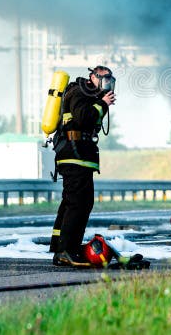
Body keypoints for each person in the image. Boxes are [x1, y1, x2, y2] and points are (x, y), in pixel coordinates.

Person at [49, 65, 116, 267]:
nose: (107, 83)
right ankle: (66, 251)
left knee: (75, 202)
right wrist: (102, 104)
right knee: (78, 203)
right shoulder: (79, 92)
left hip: (79, 156)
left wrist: (100, 102)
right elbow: (83, 118)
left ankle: (62, 248)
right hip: (74, 155)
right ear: (92, 76)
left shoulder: (90, 95)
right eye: (103, 78)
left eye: (110, 80)